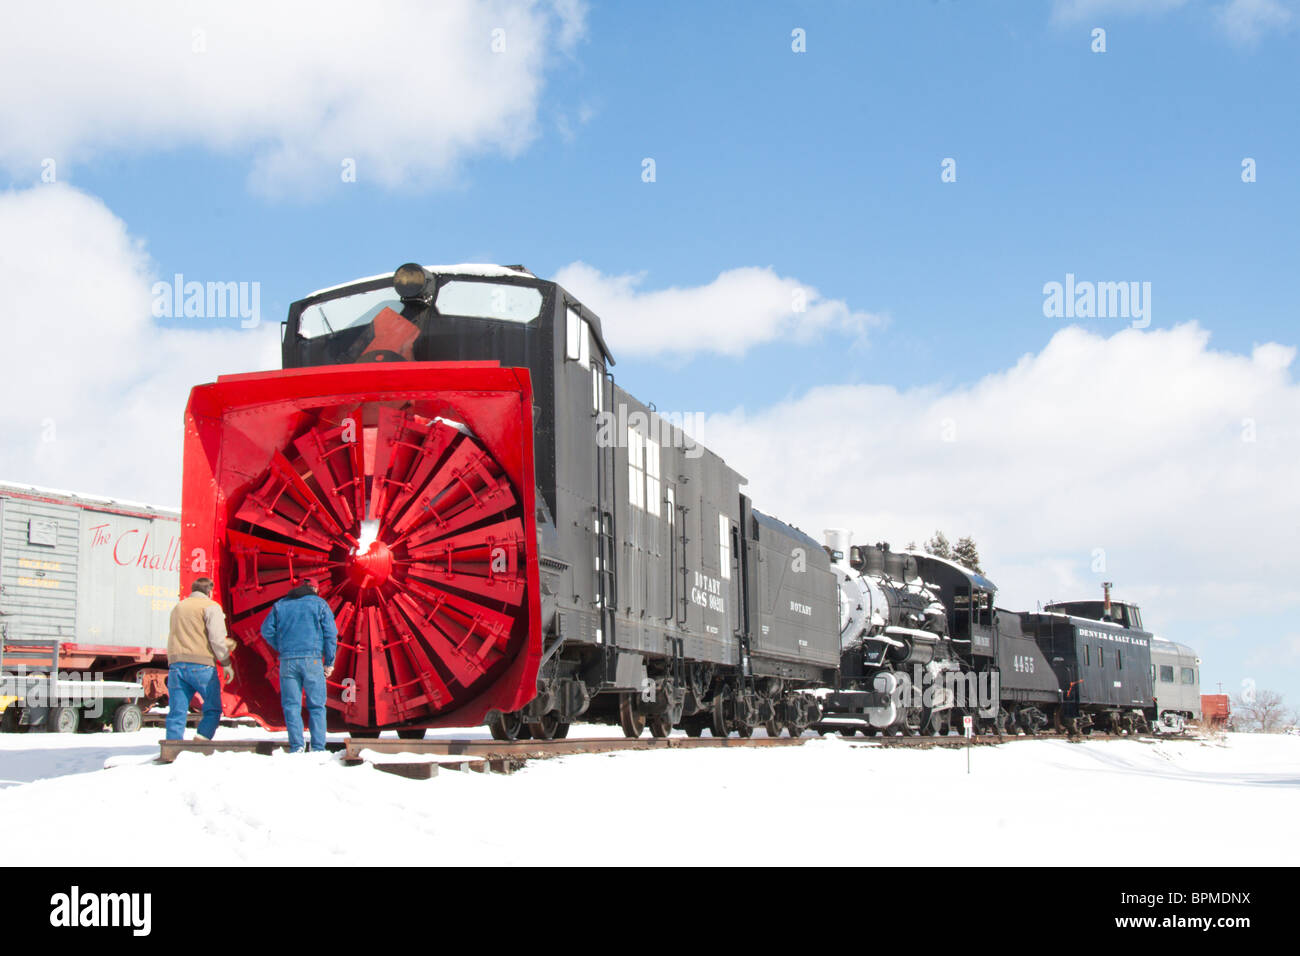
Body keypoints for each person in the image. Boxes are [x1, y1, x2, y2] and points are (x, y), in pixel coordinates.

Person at [261, 576, 338, 753]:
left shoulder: (280, 605)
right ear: (316, 590)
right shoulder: (320, 605)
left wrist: (281, 646)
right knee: (317, 705)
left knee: (291, 705)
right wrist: (330, 662)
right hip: (312, 660)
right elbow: (330, 634)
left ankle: (297, 746)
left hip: (288, 661)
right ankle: (318, 747)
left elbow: (266, 630)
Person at [165, 577, 234, 741]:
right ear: (209, 592)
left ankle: (172, 747)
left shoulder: (178, 607)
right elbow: (216, 639)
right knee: (212, 709)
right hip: (201, 666)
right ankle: (202, 740)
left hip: (176, 665)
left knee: (177, 712)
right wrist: (226, 663)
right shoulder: (211, 606)